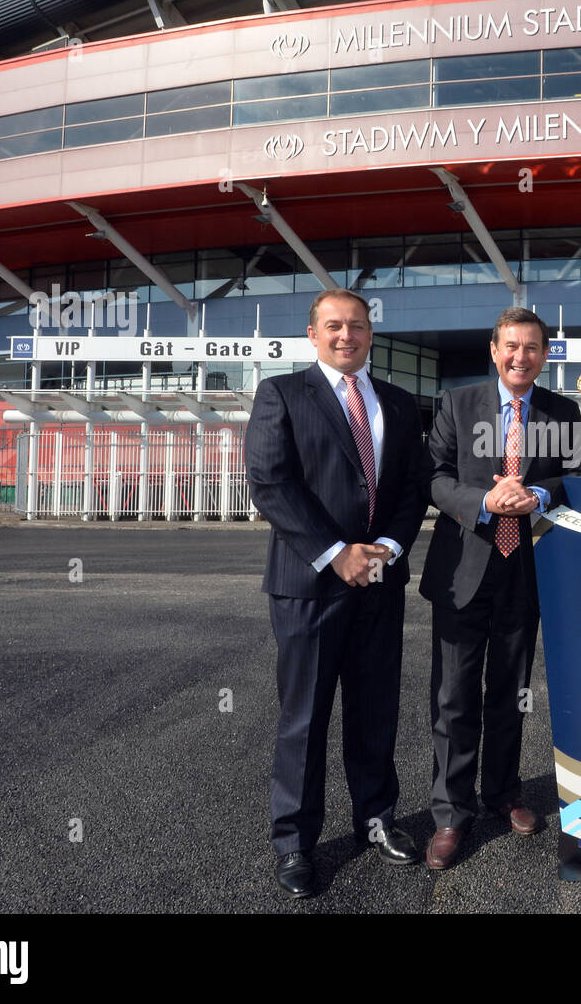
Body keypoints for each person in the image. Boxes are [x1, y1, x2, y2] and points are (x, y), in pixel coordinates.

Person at [245, 288, 429, 897]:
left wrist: (390, 549)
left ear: (371, 333)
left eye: (356, 325)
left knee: (376, 710)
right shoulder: (282, 395)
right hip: (310, 585)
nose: (345, 334)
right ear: (312, 334)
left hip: (381, 580)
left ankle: (376, 819)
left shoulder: (400, 404)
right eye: (333, 326)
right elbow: (272, 484)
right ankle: (295, 842)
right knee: (305, 718)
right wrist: (336, 553)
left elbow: (412, 489)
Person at [419, 306, 581, 870]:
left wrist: (537, 496)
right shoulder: (456, 403)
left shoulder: (562, 410)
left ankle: (504, 793)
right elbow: (436, 479)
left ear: (545, 354)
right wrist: (485, 501)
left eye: (532, 347)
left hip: (526, 571)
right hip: (463, 571)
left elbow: (576, 474)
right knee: (454, 696)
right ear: (494, 350)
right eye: (511, 346)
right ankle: (450, 812)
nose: (521, 357)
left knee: (511, 692)